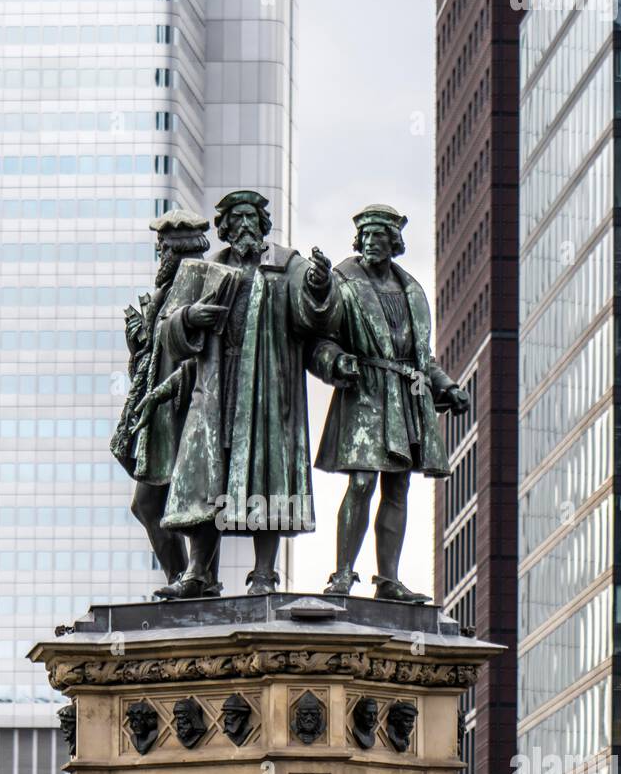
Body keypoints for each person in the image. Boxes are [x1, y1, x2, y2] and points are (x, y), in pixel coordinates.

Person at [154, 190, 341, 598]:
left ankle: (263, 574)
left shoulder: (286, 266)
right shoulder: (203, 271)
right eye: (235, 218)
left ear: (262, 225)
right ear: (223, 227)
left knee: (265, 477)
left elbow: (314, 315)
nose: (243, 225)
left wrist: (320, 284)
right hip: (216, 387)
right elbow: (167, 331)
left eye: (251, 218)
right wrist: (190, 316)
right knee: (207, 476)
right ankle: (198, 571)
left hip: (266, 387)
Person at [310, 204, 469, 602]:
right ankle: (343, 574)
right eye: (364, 237)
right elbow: (320, 338)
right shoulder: (343, 283)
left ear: (393, 242)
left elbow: (421, 356)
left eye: (378, 237)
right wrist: (335, 362)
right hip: (365, 391)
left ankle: (389, 580)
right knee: (362, 482)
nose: (369, 243)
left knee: (398, 489)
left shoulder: (411, 290)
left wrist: (446, 386)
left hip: (405, 397)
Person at [110, 209, 213, 586]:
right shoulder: (163, 293)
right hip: (162, 416)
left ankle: (197, 579)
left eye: (164, 249)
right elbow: (149, 361)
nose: (160, 256)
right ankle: (182, 578)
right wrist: (137, 342)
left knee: (193, 503)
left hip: (192, 409)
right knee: (148, 504)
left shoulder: (203, 282)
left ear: (179, 249)